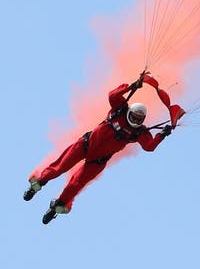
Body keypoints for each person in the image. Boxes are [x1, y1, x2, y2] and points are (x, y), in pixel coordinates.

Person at [24, 75, 174, 224]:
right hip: (84, 145)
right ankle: (38, 183)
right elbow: (112, 95)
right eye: (134, 116)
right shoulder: (120, 110)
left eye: (138, 119)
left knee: (75, 184)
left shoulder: (139, 132)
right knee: (60, 167)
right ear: (130, 112)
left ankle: (57, 206)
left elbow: (149, 146)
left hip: (97, 162)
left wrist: (162, 134)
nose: (135, 120)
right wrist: (132, 85)